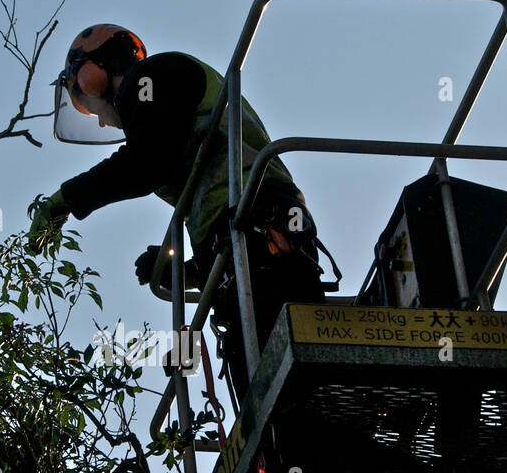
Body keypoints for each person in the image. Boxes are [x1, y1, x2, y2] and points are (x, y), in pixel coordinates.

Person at [27, 24, 327, 397]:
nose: (103, 121)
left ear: (92, 71)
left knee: (291, 390)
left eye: (92, 108)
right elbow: (195, 190)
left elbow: (145, 165)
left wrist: (65, 199)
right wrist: (189, 272)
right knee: (276, 399)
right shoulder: (162, 106)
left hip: (262, 229)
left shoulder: (150, 77)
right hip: (246, 245)